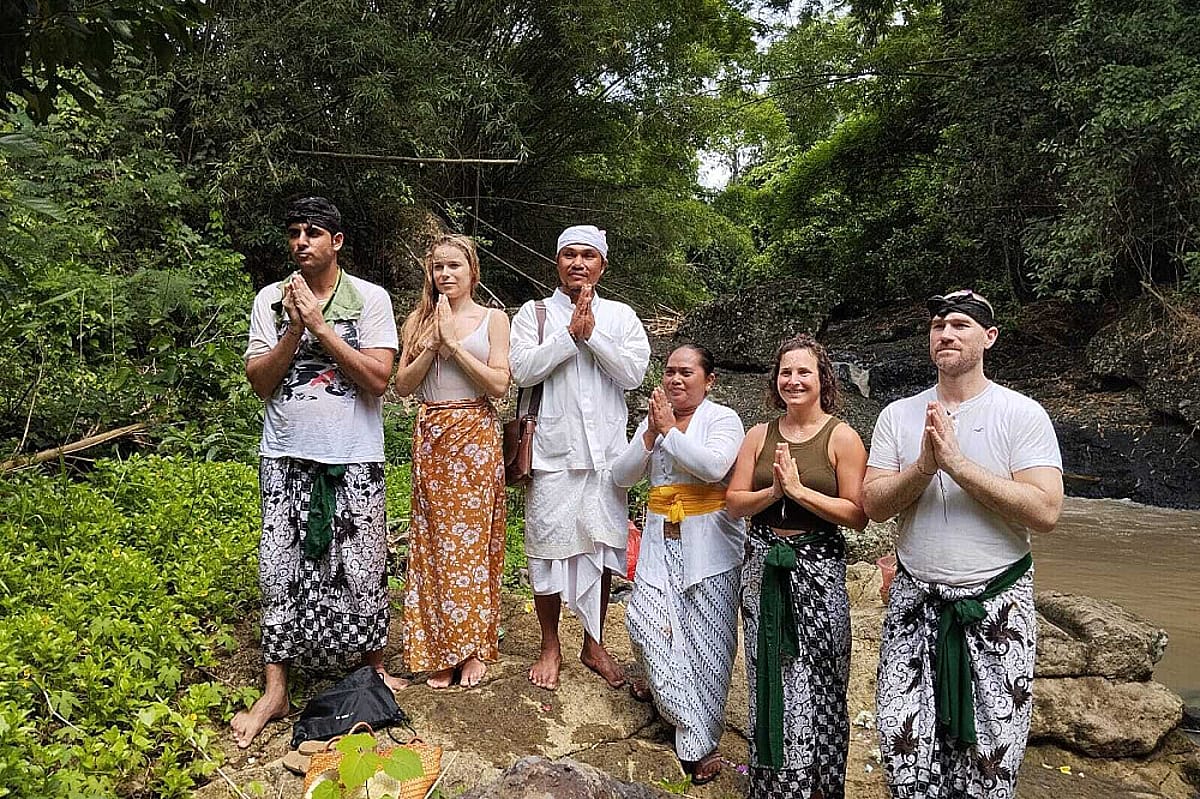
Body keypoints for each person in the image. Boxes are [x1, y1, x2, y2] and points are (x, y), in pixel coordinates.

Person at [863, 290, 1064, 799]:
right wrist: (925, 467)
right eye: (937, 326)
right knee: (902, 746)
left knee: (991, 759)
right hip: (916, 600)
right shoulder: (898, 415)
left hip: (996, 603)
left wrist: (958, 465)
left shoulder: (1021, 414)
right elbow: (874, 504)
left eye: (959, 325)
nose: (946, 334)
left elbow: (1045, 512)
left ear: (989, 337)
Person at [233, 197, 403, 748]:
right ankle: (276, 686)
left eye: (313, 232)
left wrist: (321, 328)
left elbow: (379, 380)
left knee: (362, 564)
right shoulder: (269, 299)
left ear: (338, 242)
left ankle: (373, 670)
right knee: (280, 565)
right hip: (286, 454)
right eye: (294, 233)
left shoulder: (371, 300)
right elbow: (261, 382)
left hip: (353, 454)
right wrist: (292, 328)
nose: (301, 241)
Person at [726, 333, 868, 799]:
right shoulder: (758, 435)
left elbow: (858, 515)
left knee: (822, 678)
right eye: (786, 372)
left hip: (819, 569)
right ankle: (770, 787)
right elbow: (733, 503)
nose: (794, 380)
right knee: (769, 672)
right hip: (763, 565)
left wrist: (800, 491)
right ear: (776, 381)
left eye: (804, 372)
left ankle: (819, 788)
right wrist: (774, 492)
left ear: (822, 379)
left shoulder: (842, 437)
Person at [508, 224, 650, 691]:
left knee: (603, 546)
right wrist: (569, 336)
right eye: (569, 254)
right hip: (552, 453)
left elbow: (632, 374)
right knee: (546, 549)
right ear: (557, 262)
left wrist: (592, 336)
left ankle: (594, 641)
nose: (578, 263)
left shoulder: (622, 316)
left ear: (602, 265)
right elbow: (522, 369)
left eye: (588, 256)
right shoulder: (534, 314)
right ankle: (551, 644)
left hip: (607, 456)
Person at [612, 344, 745, 785]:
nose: (675, 380)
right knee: (643, 621)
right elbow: (623, 476)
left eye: (686, 372)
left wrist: (669, 431)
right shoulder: (654, 421)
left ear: (709, 381)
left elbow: (713, 468)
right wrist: (650, 435)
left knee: (708, 645)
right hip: (657, 543)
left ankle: (699, 741)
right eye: (669, 372)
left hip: (711, 548)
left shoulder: (723, 419)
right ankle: (679, 709)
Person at [393, 233, 510, 689]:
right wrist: (431, 345)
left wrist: (455, 346)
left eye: (454, 266)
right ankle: (437, 649)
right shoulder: (417, 321)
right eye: (438, 266)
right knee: (431, 545)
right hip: (432, 434)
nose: (445, 274)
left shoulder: (493, 319)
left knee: (471, 543)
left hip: (475, 433)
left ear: (471, 271)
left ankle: (471, 647)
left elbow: (499, 385)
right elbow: (403, 386)